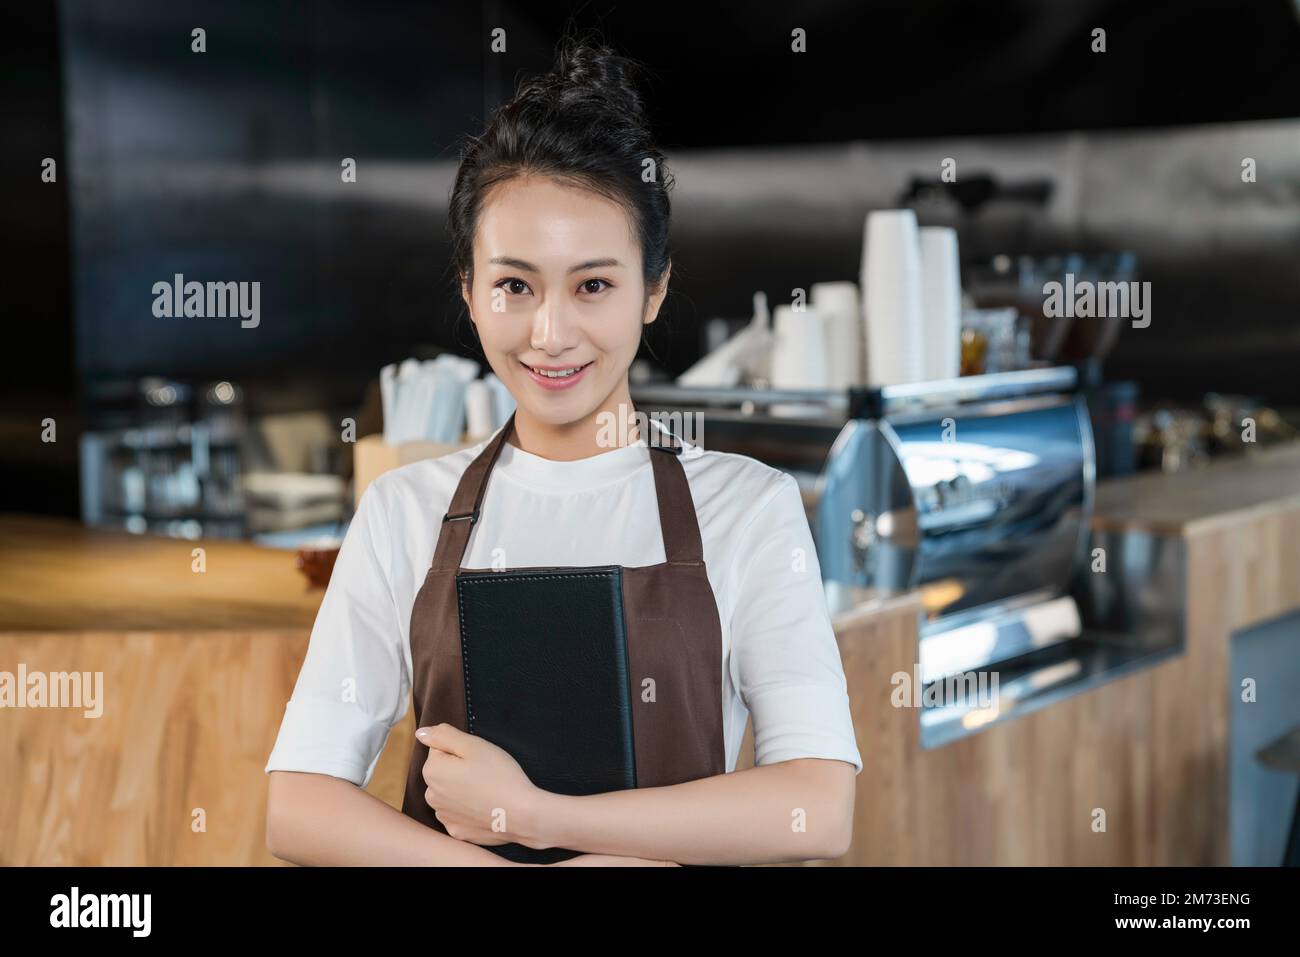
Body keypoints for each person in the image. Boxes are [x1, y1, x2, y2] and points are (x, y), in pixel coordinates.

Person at [265, 34, 862, 867]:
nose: (551, 334)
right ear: (470, 291)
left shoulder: (748, 507)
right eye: (515, 284)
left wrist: (539, 815)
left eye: (593, 284)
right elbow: (298, 805)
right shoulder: (406, 510)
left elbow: (817, 809)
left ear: (652, 290)